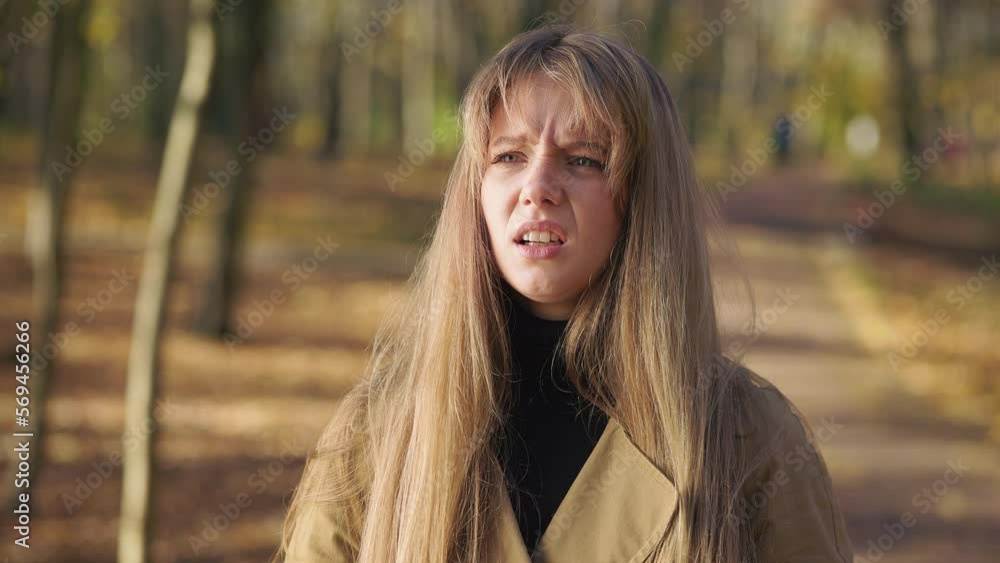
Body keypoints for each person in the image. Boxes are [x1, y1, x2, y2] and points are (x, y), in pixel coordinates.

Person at [276, 26, 854, 563]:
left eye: (583, 160)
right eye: (508, 156)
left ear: (644, 201)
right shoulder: (377, 433)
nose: (537, 188)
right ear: (474, 193)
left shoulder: (750, 440)